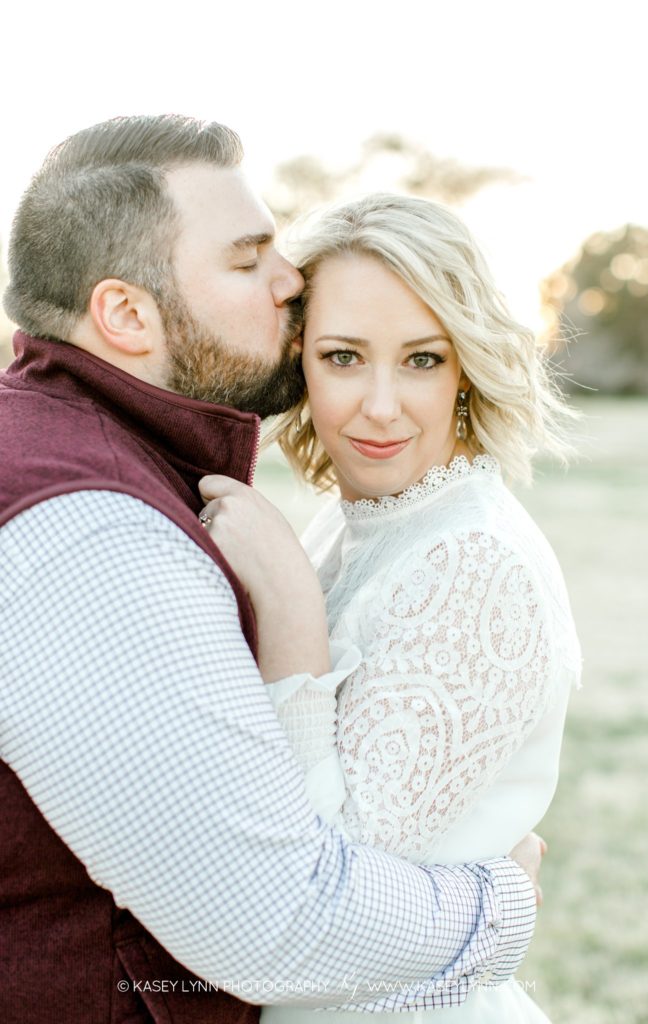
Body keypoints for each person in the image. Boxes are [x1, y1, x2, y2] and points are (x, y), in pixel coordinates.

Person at [0, 116, 544, 1024]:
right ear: (126, 313)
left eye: (420, 358)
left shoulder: (97, 461)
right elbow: (276, 922)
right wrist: (500, 906)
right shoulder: (89, 532)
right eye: (249, 259)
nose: (290, 278)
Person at [198, 193, 583, 1022]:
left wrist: (291, 611)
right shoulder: (356, 515)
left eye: (420, 359)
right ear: (297, 356)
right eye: (343, 357)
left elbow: (324, 900)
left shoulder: (471, 562)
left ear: (467, 365)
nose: (379, 406)